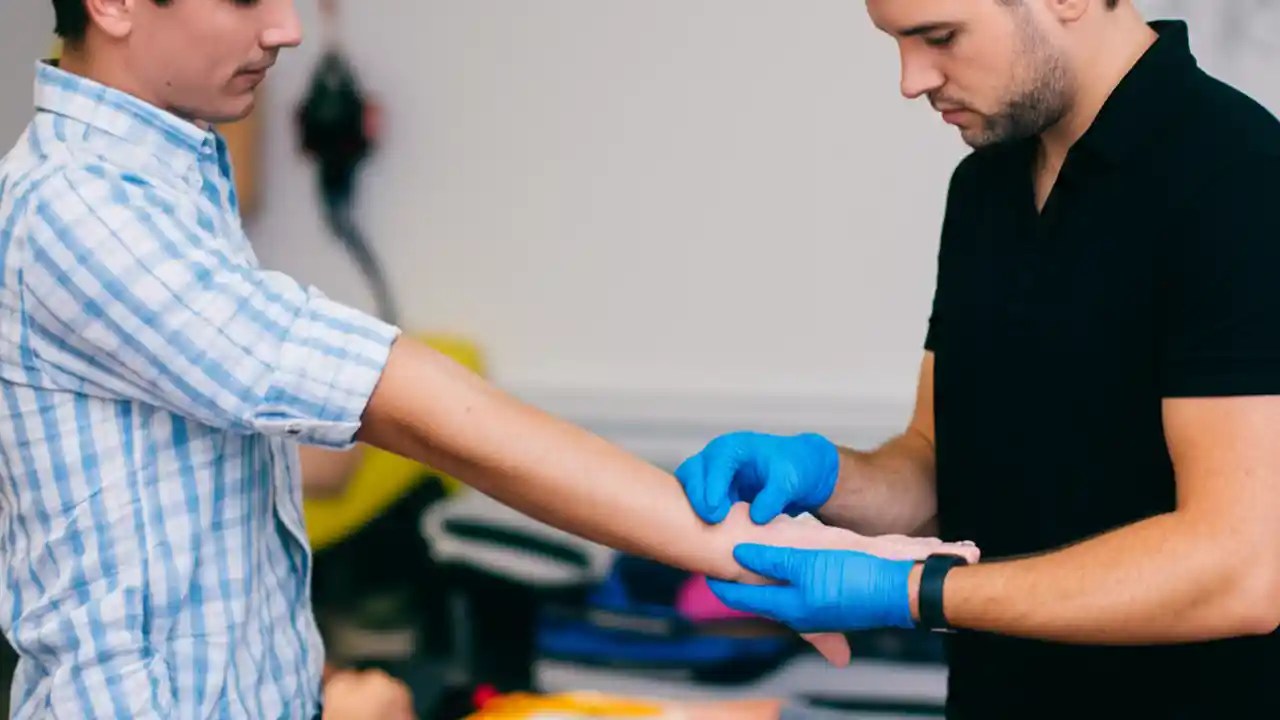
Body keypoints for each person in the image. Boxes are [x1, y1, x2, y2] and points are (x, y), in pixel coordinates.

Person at [0, 3, 950, 718]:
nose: (285, 26)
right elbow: (408, 400)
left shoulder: (159, 192)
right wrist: (755, 548)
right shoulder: (73, 208)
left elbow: (191, 541)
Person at [675, 1, 1280, 717]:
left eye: (939, 38)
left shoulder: (1237, 175)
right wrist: (827, 476)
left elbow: (1241, 568)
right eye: (897, 43)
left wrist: (914, 592)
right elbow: (939, 466)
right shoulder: (986, 187)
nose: (911, 79)